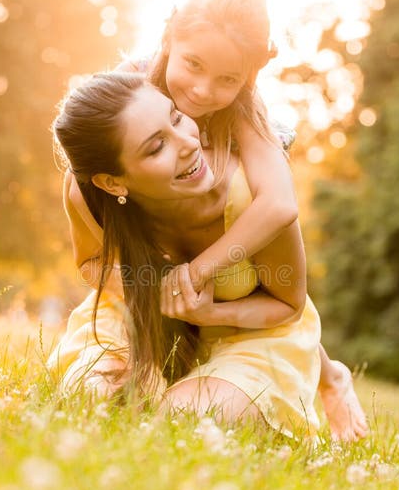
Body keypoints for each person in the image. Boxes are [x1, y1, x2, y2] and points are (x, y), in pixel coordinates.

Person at [62, 0, 368, 440]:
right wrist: (152, 288)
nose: (202, 92)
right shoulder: (134, 87)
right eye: (193, 66)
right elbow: (92, 241)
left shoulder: (244, 114)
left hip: (241, 298)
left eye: (228, 78)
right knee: (101, 407)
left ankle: (329, 375)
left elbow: (280, 207)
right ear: (167, 39)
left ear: (248, 75)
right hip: (159, 281)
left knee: (254, 266)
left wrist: (196, 273)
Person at [50, 72, 322, 437]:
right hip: (140, 319)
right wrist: (151, 290)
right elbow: (90, 263)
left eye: (176, 117)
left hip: (252, 335)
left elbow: (289, 306)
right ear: (112, 182)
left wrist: (209, 313)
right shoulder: (87, 194)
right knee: (94, 401)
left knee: (184, 421)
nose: (188, 143)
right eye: (155, 146)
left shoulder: (250, 195)